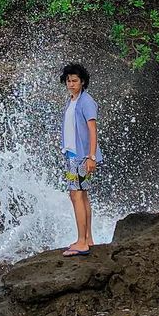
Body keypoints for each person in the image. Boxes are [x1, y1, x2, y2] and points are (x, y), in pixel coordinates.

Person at [59, 63, 98, 256]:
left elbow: (92, 130)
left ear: (82, 82)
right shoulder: (72, 101)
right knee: (80, 195)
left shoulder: (86, 101)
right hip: (72, 155)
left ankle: (82, 242)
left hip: (81, 157)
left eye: (75, 80)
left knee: (77, 195)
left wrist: (91, 156)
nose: (71, 84)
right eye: (68, 81)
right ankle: (87, 238)